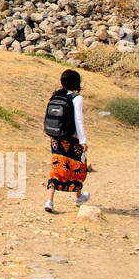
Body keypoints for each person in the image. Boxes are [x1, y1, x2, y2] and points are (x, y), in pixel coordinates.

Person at [44, 69, 89, 213]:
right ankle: (79, 197)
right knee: (78, 168)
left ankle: (49, 201)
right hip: (72, 139)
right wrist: (83, 141)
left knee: (57, 169)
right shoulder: (77, 98)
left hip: (56, 139)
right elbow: (79, 120)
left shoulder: (56, 95)